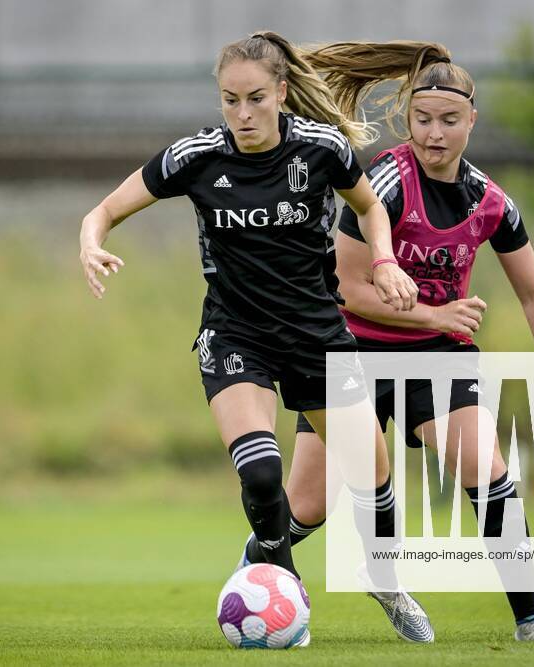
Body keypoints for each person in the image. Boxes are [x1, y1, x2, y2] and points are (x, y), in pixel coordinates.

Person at [239, 40, 534, 643]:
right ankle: (256, 575)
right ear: (408, 119)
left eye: (449, 121)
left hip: (436, 357)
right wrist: (437, 313)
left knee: (486, 469)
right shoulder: (384, 183)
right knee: (308, 507)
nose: (435, 134)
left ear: (472, 120)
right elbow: (345, 287)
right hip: (349, 351)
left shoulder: (490, 202)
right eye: (423, 119)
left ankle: (531, 620)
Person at [78, 31, 429, 647]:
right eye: (230, 99)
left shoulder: (321, 148)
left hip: (317, 336)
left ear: (282, 93)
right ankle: (284, 592)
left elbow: (371, 207)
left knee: (373, 481)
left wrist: (383, 259)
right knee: (262, 474)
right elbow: (103, 211)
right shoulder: (196, 156)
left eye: (255, 99)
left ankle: (384, 579)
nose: (242, 113)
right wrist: (90, 243)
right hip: (236, 334)